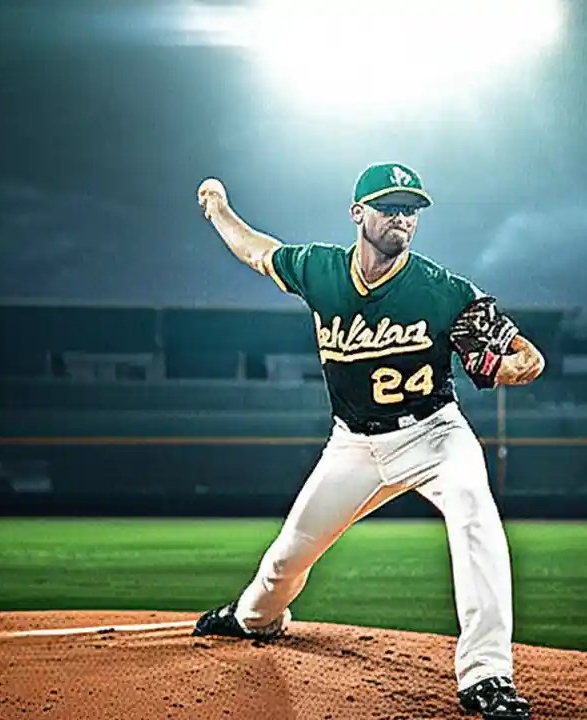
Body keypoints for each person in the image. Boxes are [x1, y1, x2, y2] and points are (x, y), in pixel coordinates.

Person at [192, 162, 544, 719]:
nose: (402, 217)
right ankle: (255, 617)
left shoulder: (443, 290)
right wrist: (219, 211)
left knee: (476, 519)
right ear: (359, 214)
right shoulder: (320, 269)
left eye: (411, 209)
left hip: (435, 436)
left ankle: (486, 674)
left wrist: (514, 366)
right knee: (291, 552)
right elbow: (257, 251)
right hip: (354, 444)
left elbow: (526, 352)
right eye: (390, 206)